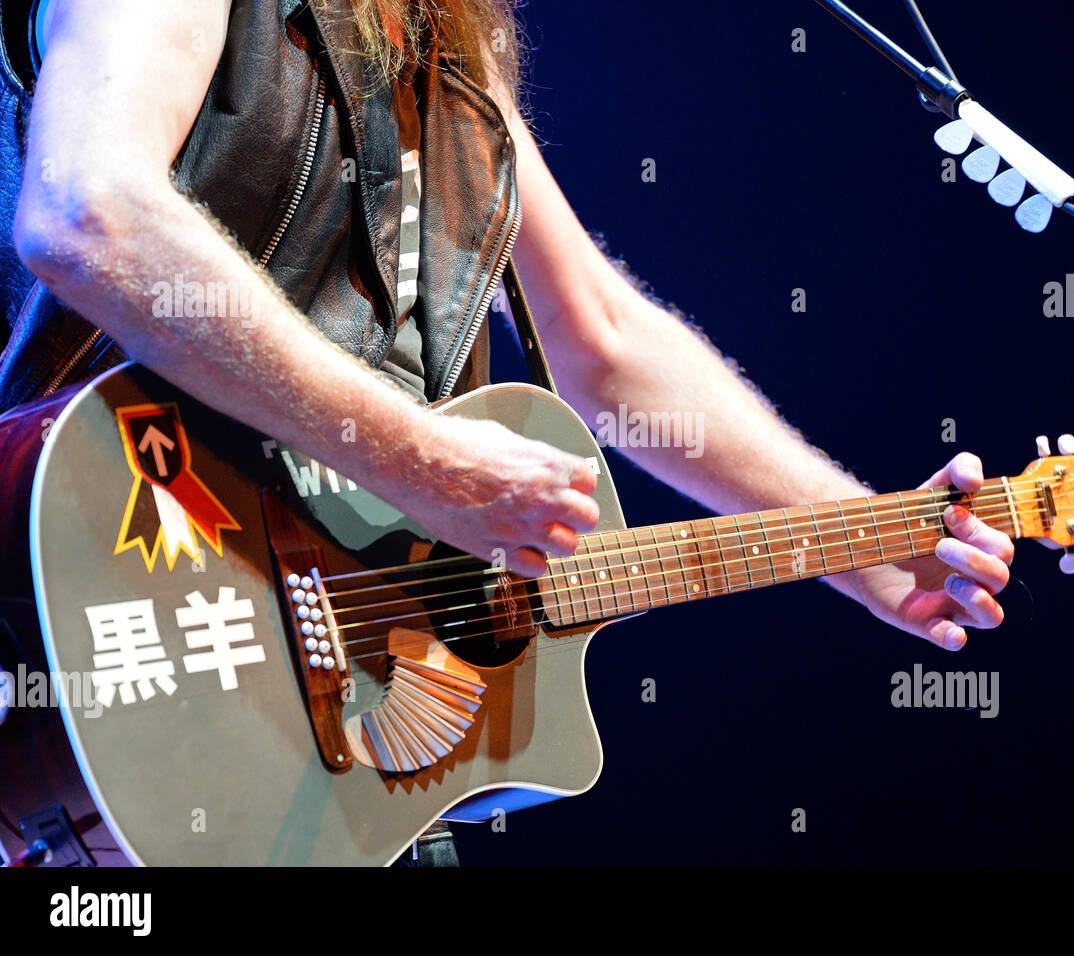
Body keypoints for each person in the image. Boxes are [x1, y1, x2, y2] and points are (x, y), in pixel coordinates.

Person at [2, 0, 1013, 862]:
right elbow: (88, 210)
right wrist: (422, 458)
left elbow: (605, 339)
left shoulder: (440, 35)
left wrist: (865, 537)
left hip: (354, 733)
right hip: (144, 601)